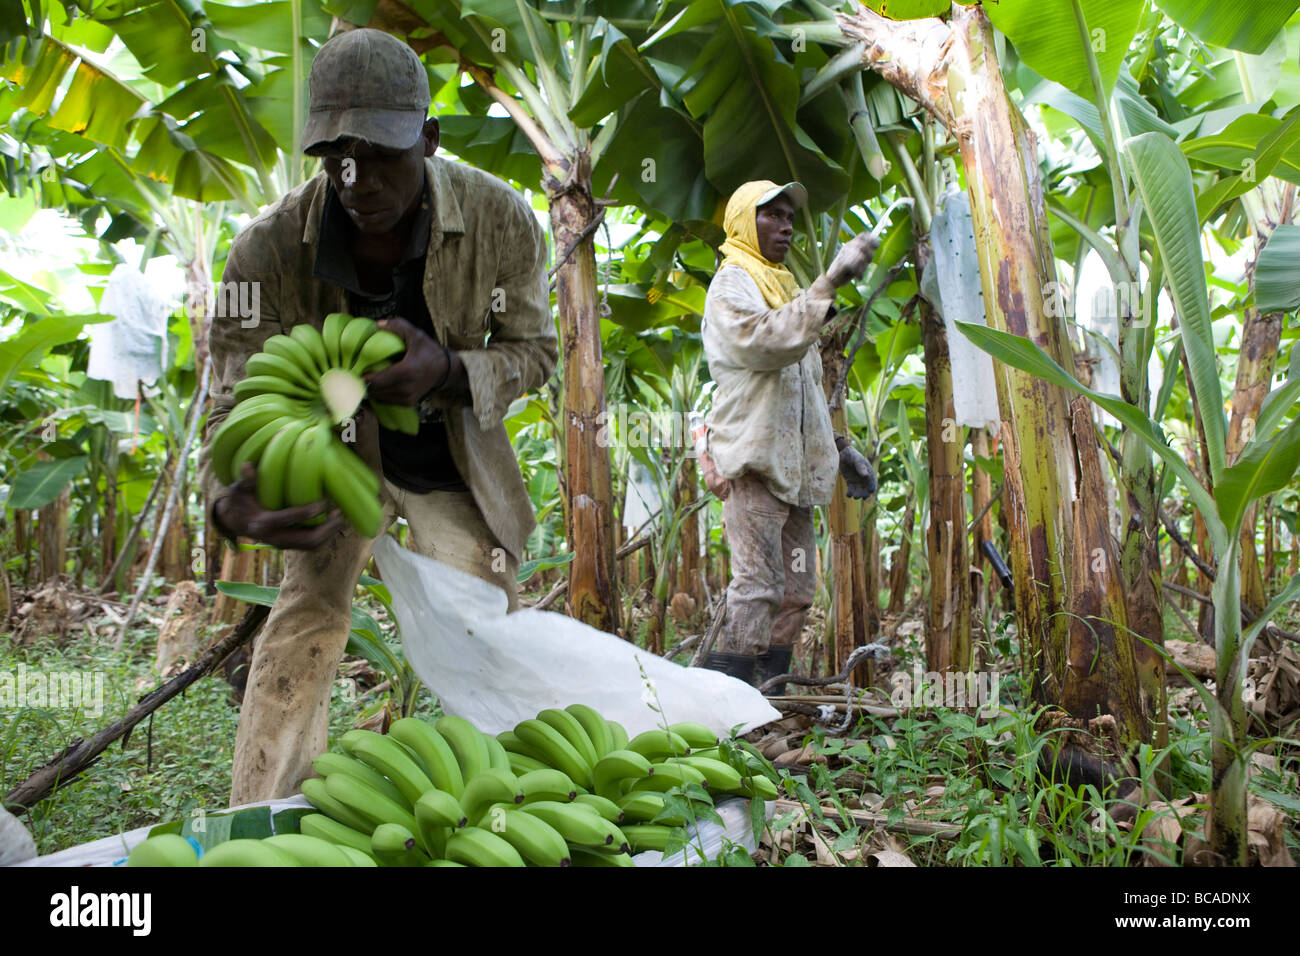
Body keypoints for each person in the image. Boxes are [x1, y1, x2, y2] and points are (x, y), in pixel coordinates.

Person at [198, 28, 557, 806]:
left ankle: (508, 807)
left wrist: (452, 368)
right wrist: (227, 498)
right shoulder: (265, 250)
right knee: (305, 620)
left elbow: (535, 352)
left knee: (487, 626)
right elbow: (231, 391)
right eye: (338, 157)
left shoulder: (500, 220)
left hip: (448, 458)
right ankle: (263, 814)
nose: (357, 180)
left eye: (382, 155)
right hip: (331, 457)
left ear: (429, 138)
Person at [697, 181, 878, 688]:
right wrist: (833, 278)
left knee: (797, 590)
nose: (786, 226)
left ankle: (767, 694)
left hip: (796, 470)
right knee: (758, 586)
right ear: (740, 222)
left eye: (789, 217)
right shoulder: (732, 284)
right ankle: (726, 703)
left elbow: (807, 391)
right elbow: (768, 342)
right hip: (755, 465)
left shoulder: (784, 288)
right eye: (771, 215)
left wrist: (842, 450)